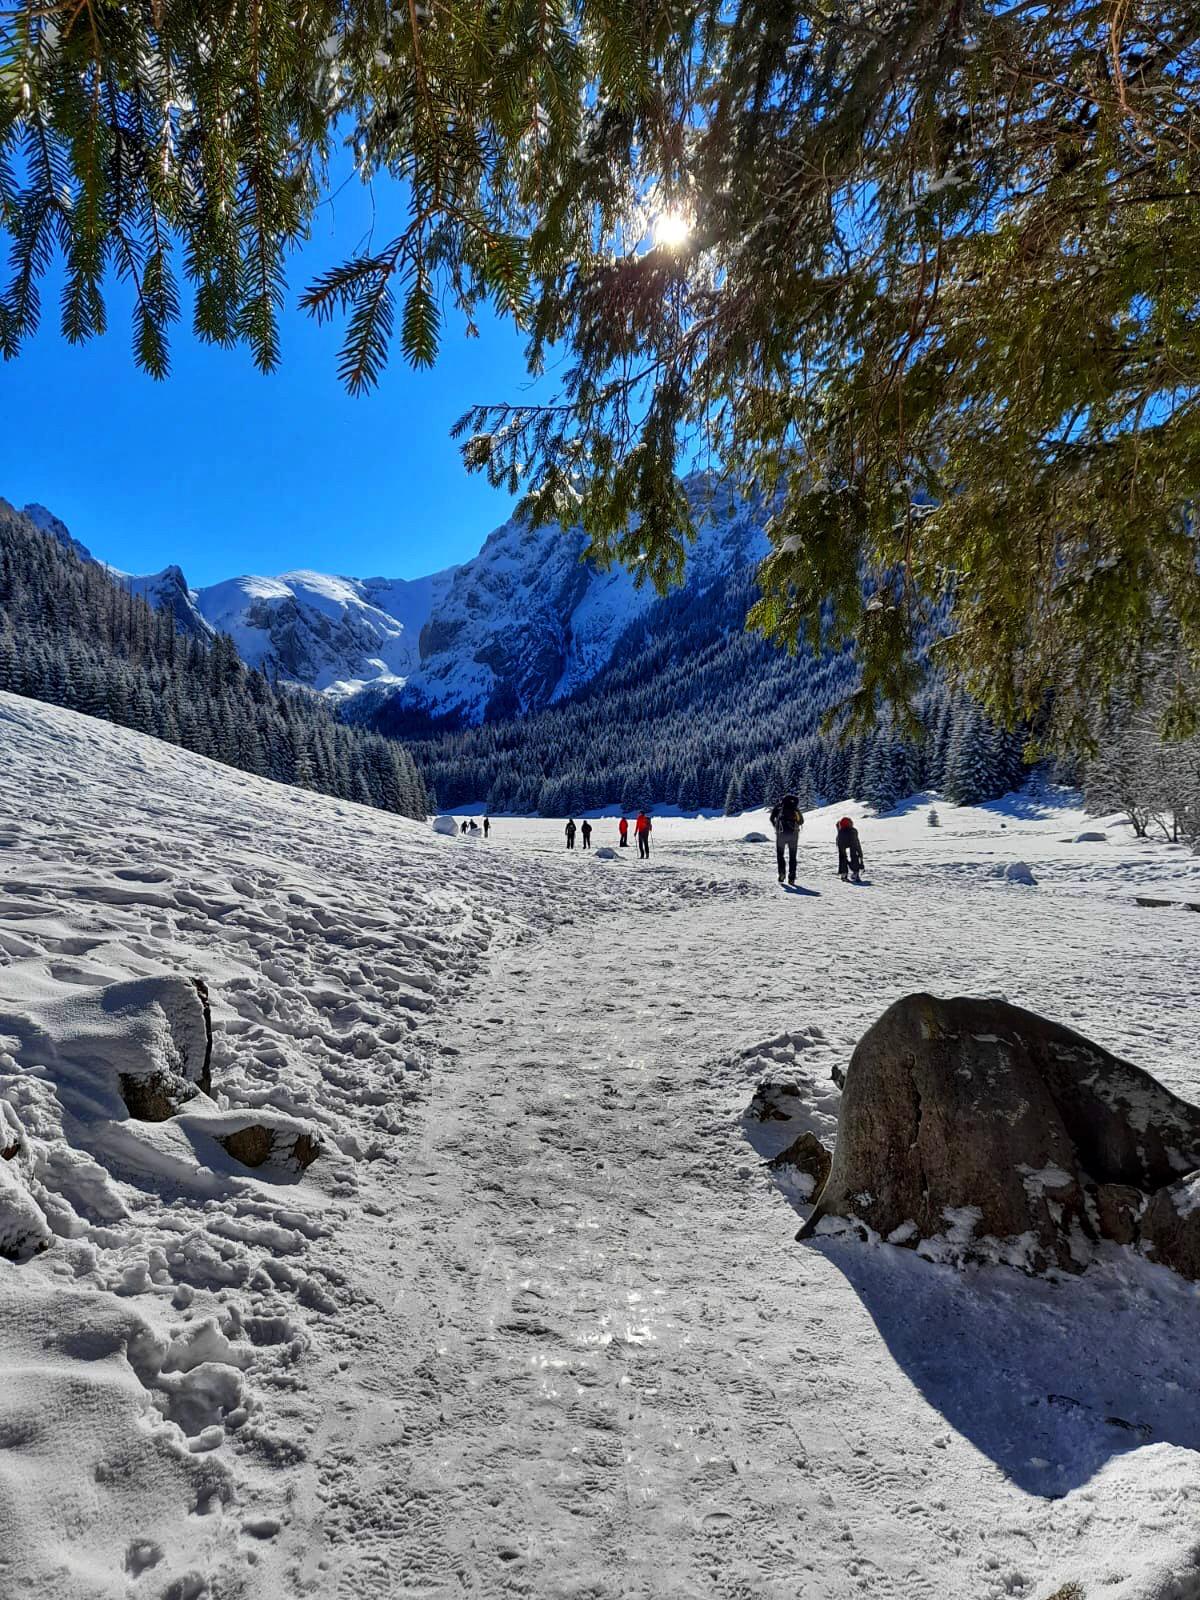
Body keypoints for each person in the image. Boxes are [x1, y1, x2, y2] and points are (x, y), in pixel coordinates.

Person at [769, 793, 804, 885]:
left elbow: (771, 818)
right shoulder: (795, 808)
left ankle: (782, 873)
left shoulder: (778, 807)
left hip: (781, 835)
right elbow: (801, 821)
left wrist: (776, 827)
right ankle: (792, 877)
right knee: (793, 856)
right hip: (794, 835)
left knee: (780, 855)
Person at [836, 816, 865, 883]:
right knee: (854, 855)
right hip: (852, 841)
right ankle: (855, 873)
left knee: (842, 857)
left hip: (842, 842)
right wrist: (860, 854)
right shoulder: (853, 830)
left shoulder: (841, 832)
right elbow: (857, 843)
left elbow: (839, 842)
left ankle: (844, 874)